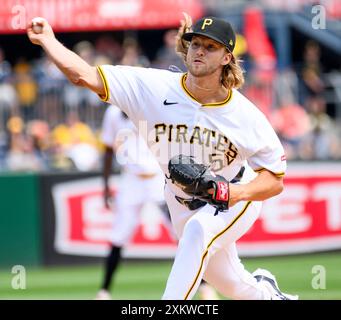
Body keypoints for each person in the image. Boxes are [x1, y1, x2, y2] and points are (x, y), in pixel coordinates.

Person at [27, 14, 298, 300]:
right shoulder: (152, 88)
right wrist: (48, 40)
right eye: (196, 44)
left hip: (231, 195)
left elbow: (274, 179)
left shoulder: (245, 115)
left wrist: (237, 192)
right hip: (178, 199)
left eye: (211, 47)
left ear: (226, 57)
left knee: (198, 231)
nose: (200, 51)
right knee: (232, 284)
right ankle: (271, 295)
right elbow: (84, 75)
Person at [96, 105, 166, 300]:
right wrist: (106, 185)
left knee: (183, 231)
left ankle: (204, 285)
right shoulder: (113, 112)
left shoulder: (150, 102)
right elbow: (108, 149)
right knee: (118, 236)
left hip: (158, 177)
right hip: (131, 179)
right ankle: (104, 291)